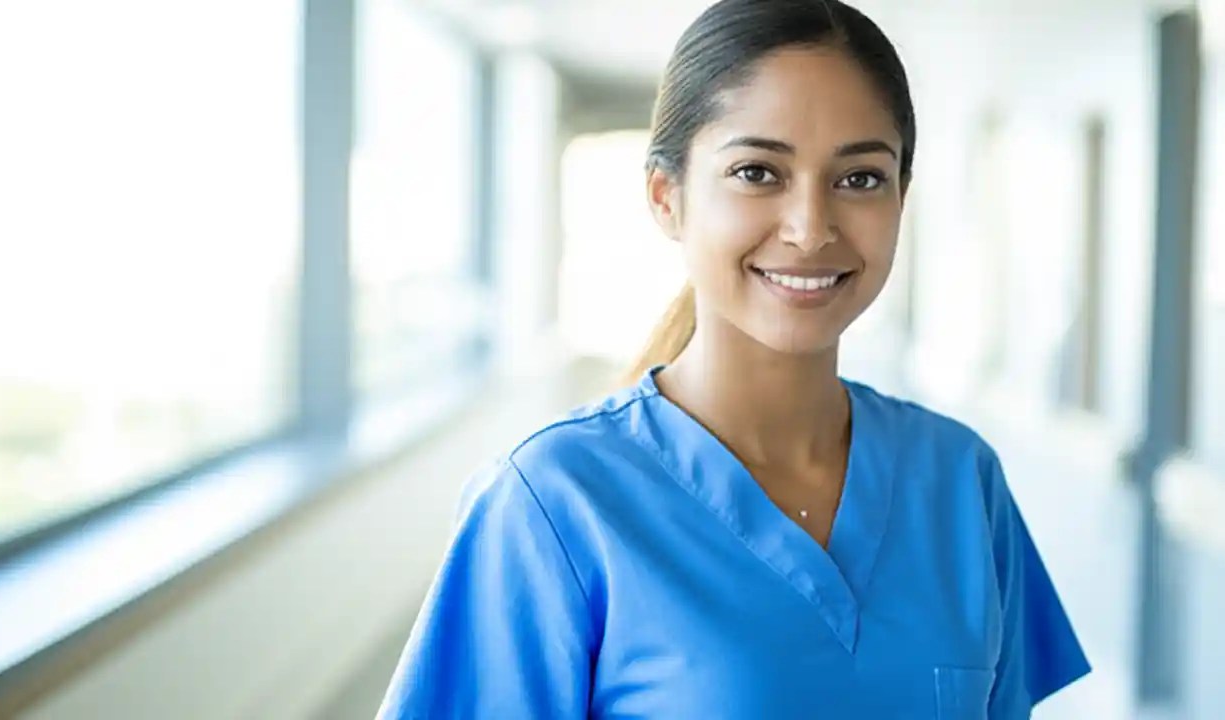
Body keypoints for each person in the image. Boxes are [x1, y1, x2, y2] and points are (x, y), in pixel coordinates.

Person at [376, 0, 1091, 717]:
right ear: (667, 198)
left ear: (902, 194)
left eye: (861, 178)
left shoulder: (960, 480)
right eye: (757, 172)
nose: (811, 230)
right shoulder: (553, 502)